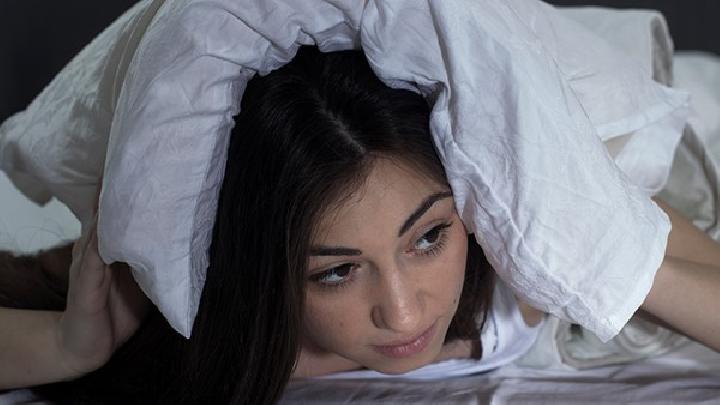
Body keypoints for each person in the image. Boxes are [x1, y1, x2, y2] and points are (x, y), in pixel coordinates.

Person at [1, 47, 720, 404]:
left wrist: (617, 254)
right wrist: (67, 348)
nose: (403, 313)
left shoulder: (536, 235)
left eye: (429, 238)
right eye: (337, 271)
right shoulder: (180, 303)